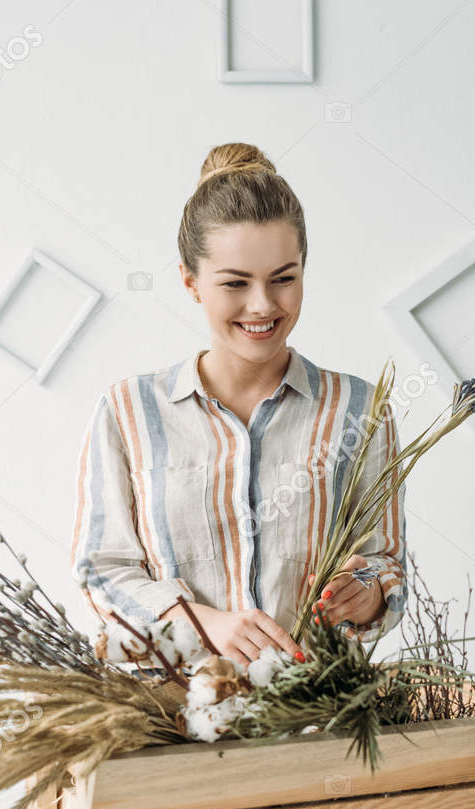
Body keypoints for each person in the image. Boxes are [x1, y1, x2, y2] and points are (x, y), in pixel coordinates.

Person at [71, 142, 405, 668]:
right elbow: (102, 569)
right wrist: (200, 622)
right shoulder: (128, 411)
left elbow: (384, 560)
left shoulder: (361, 409)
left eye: (284, 279)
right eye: (235, 283)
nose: (263, 305)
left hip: (321, 707)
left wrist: (365, 593)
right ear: (190, 281)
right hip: (170, 709)